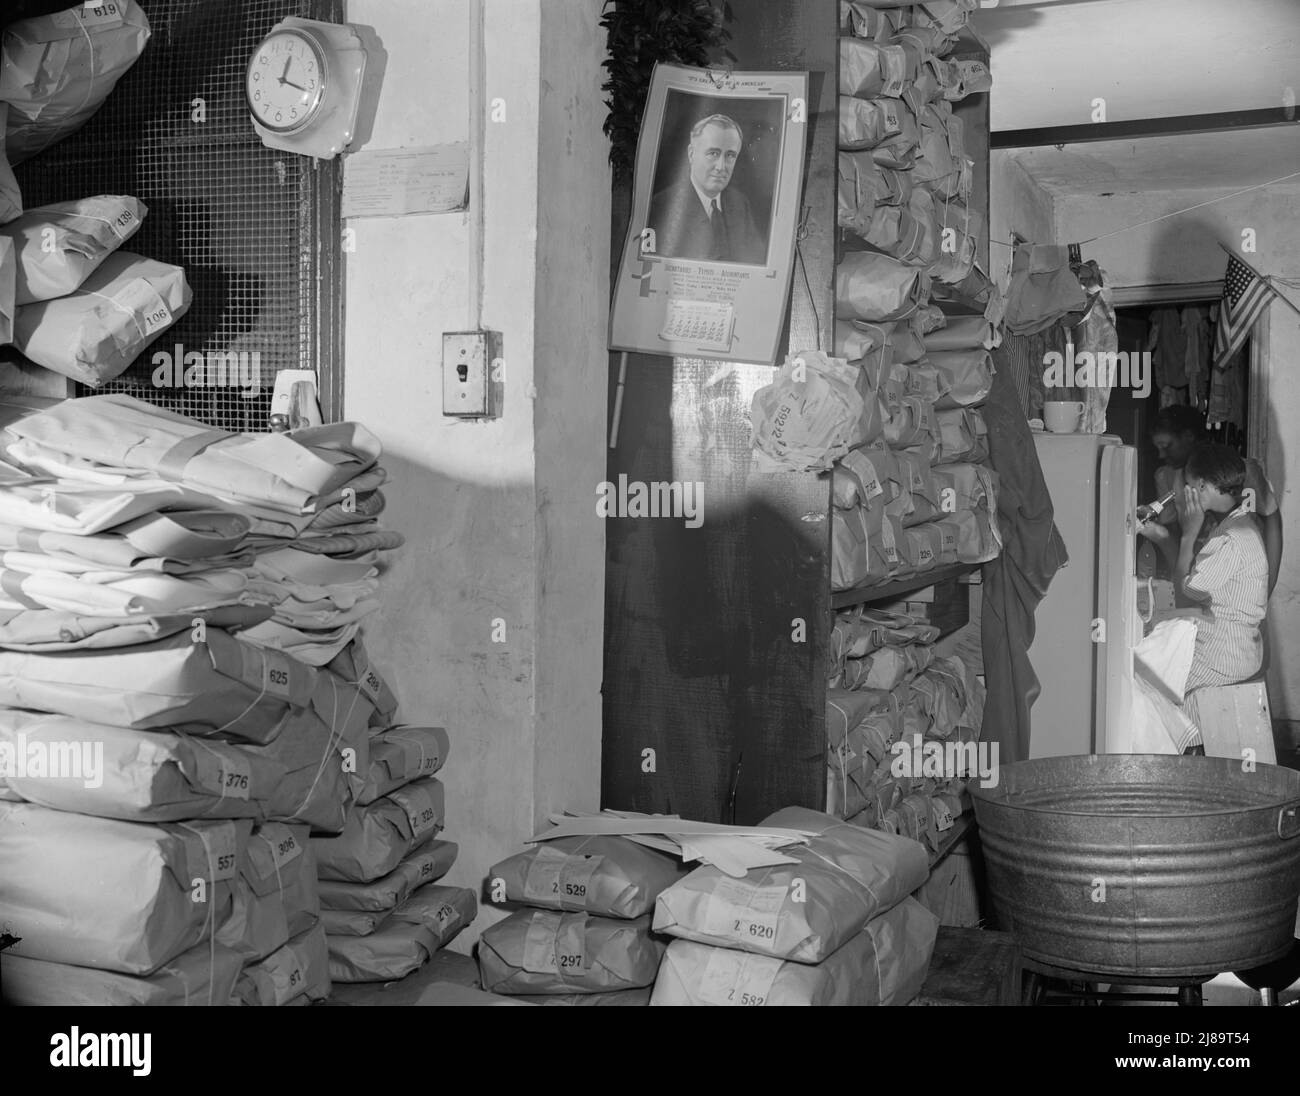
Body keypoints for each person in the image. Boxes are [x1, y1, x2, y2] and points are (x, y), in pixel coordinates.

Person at [1139, 444, 1268, 739]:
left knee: (1146, 687)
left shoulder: (1231, 540)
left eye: (1186, 486)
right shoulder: (1238, 525)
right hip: (1238, 646)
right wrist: (1160, 534)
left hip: (1223, 655)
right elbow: (1190, 576)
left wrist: (1188, 532)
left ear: (1200, 486)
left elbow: (1186, 591)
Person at [1139, 404, 1282, 595]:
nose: (1161, 455)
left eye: (1167, 446)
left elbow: (1272, 522)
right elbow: (1176, 543)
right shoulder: (1166, 477)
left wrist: (1267, 589)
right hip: (1200, 583)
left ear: (1189, 437)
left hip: (1238, 584)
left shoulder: (1241, 472)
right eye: (1158, 448)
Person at [646, 113, 767, 265]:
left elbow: (756, 262)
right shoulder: (662, 207)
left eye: (730, 155)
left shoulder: (740, 204)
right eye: (713, 154)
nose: (721, 167)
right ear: (691, 154)